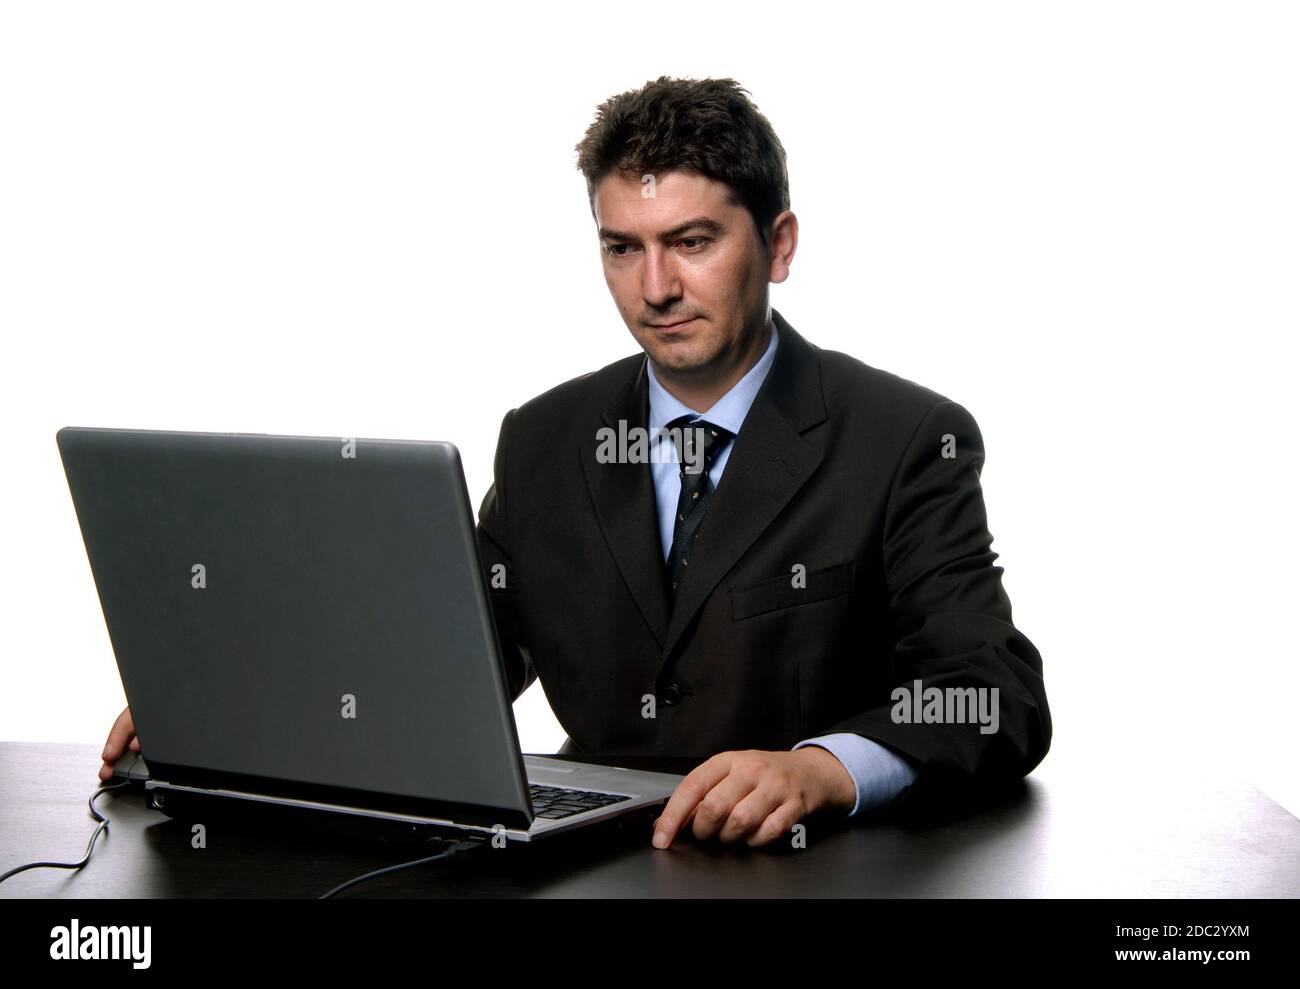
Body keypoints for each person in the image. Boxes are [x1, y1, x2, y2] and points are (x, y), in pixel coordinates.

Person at [102, 75, 1052, 850]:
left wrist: (824, 767)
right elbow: (449, 656)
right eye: (621, 247)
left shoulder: (904, 437)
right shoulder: (546, 437)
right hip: (585, 865)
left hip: (806, 878)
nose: (656, 288)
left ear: (779, 244)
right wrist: (231, 708)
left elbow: (993, 691)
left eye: (692, 242)